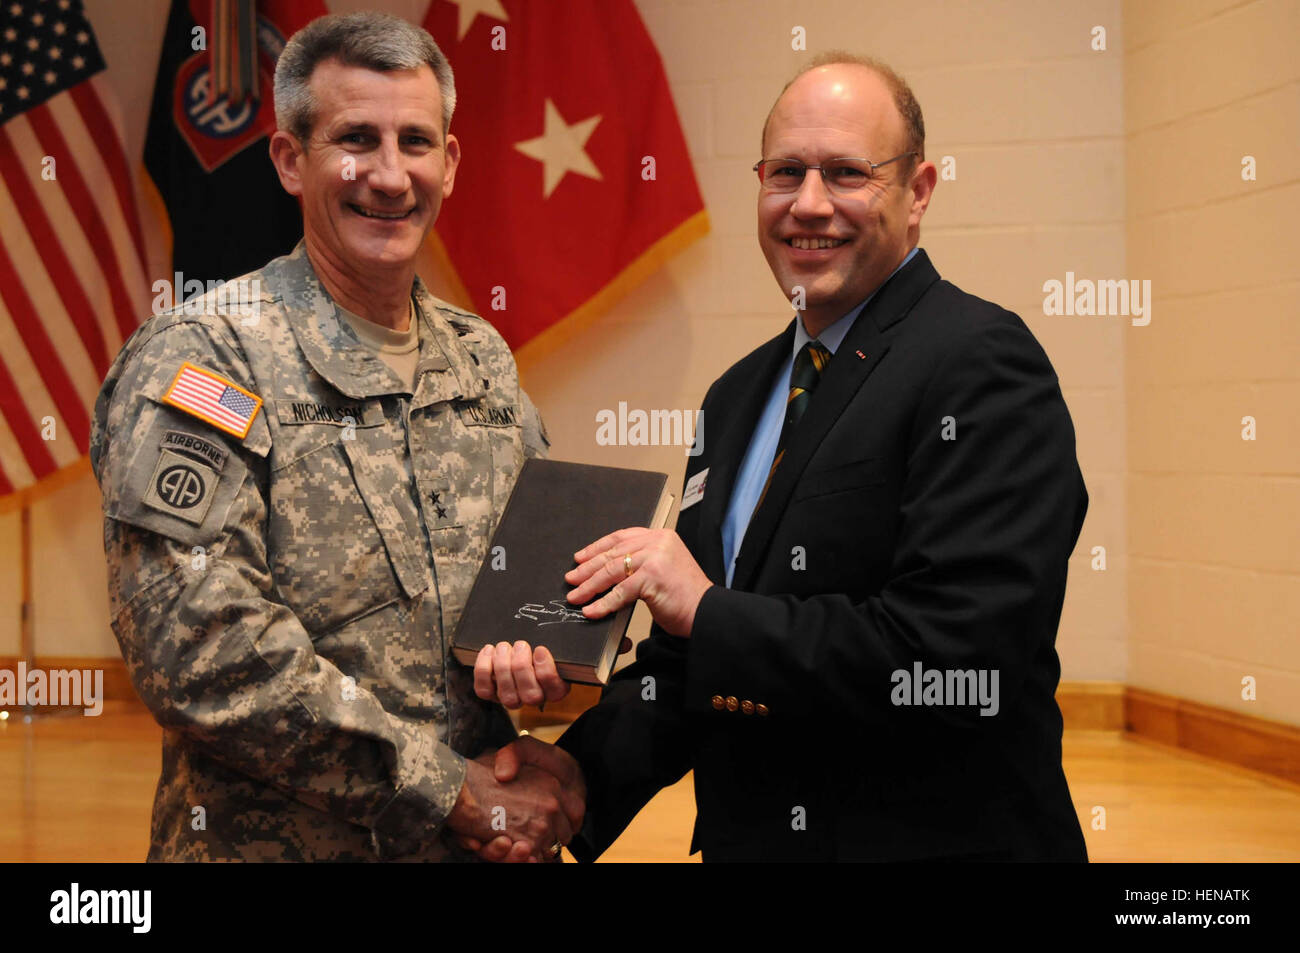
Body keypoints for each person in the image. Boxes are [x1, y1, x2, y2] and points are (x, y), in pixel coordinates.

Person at [475, 53, 1090, 861]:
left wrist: (708, 609)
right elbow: (690, 659)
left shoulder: (982, 364)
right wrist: (579, 776)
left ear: (920, 192)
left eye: (846, 173)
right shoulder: (738, 397)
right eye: (786, 173)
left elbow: (958, 659)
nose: (809, 204)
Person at [91, 11, 582, 862]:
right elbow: (200, 646)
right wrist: (446, 790)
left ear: (450, 163)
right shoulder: (209, 353)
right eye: (356, 138)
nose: (389, 177)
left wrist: (548, 683)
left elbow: (534, 595)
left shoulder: (482, 361)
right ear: (290, 159)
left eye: (416, 142)